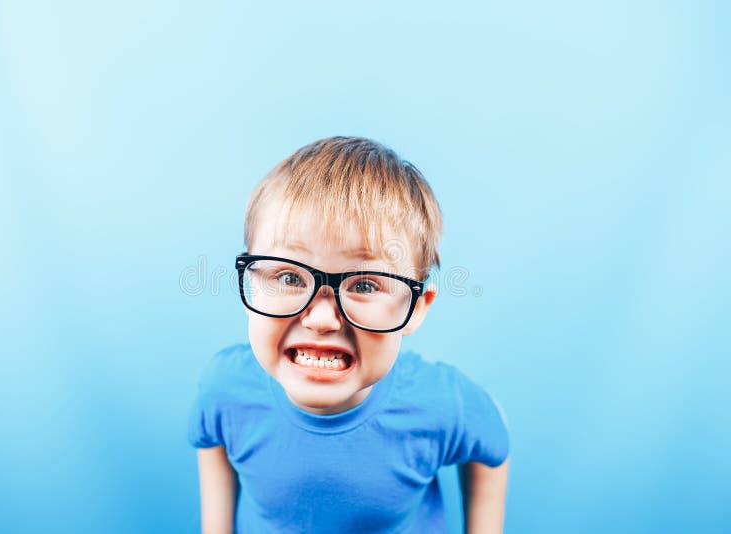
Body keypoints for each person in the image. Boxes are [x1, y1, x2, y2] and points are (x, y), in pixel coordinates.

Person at [188, 137, 509, 533]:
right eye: (288, 276)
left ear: (416, 307)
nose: (322, 318)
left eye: (365, 285)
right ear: (252, 286)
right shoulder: (224, 389)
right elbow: (211, 441)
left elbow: (492, 444)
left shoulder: (444, 404)